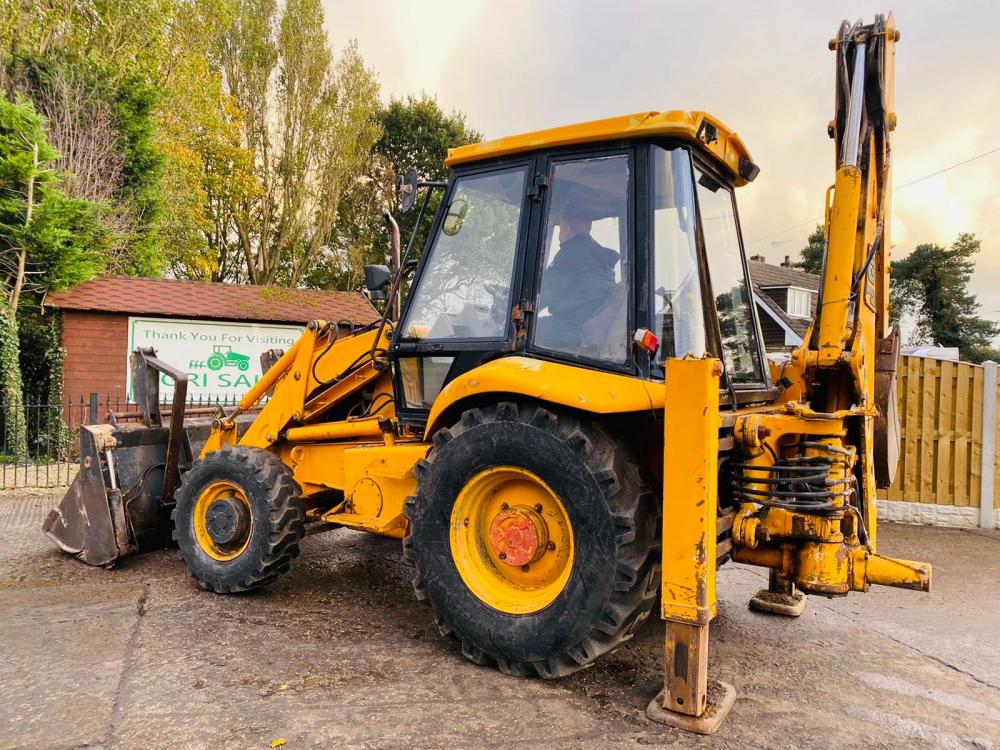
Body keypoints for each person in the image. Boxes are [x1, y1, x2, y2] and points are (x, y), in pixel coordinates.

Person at [538, 201, 619, 349]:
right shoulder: (601, 260)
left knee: (525, 332)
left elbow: (541, 295)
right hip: (586, 329)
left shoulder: (571, 253)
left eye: (560, 226)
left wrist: (508, 307)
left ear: (567, 228)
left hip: (570, 331)